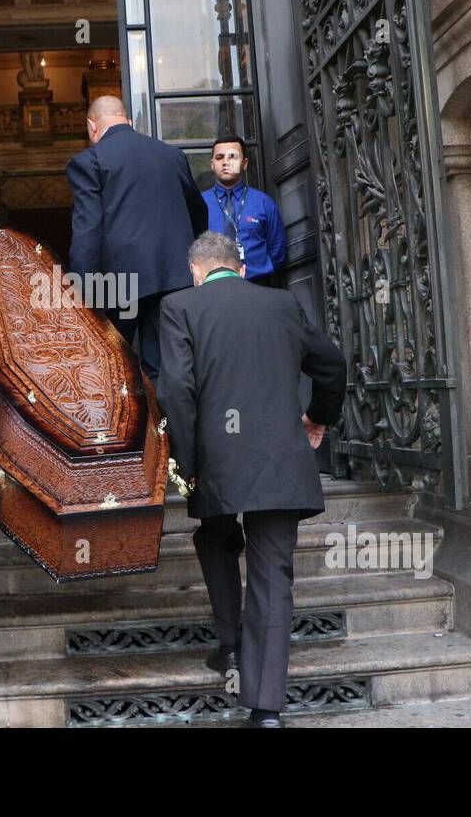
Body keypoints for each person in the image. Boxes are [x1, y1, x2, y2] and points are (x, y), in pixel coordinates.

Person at [157, 231, 347, 728]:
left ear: (195, 272)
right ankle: (266, 711)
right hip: (281, 461)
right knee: (272, 575)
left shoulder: (180, 306)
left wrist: (187, 458)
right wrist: (318, 417)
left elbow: (176, 388)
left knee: (217, 538)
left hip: (216, 457)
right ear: (239, 269)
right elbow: (332, 363)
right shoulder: (282, 303)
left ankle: (231, 648)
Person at [67, 95, 208, 383]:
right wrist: (192, 263)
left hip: (118, 283)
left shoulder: (89, 161)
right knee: (167, 369)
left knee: (114, 367)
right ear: (128, 120)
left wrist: (83, 291)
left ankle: (132, 428)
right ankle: (169, 428)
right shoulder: (172, 155)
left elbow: (87, 230)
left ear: (91, 125)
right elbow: (198, 211)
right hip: (174, 277)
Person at [201, 135, 287, 285]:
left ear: (245, 163)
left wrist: (261, 271)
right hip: (212, 288)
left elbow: (277, 249)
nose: (225, 162)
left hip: (257, 285)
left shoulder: (263, 202)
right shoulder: (199, 203)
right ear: (212, 164)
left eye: (232, 157)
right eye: (219, 157)